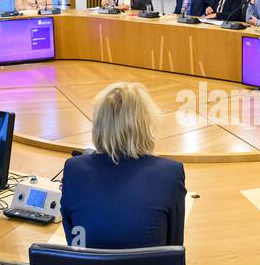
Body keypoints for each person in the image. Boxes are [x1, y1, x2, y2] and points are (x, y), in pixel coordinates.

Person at [59, 83, 185, 248]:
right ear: (146, 125)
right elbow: (174, 247)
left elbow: (74, 242)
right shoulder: (170, 174)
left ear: (98, 125)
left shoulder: (74, 169)